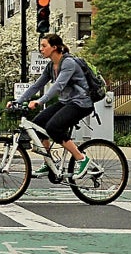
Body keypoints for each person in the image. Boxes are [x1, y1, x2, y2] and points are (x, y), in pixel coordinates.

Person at [15, 33, 97, 180]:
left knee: (54, 127)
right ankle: (49, 163)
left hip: (81, 103)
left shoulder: (68, 63)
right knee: (37, 124)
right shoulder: (50, 66)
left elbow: (58, 86)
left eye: (43, 46)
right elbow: (36, 85)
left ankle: (81, 158)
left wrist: (40, 101)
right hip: (66, 102)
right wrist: (19, 101)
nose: (41, 49)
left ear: (54, 47)